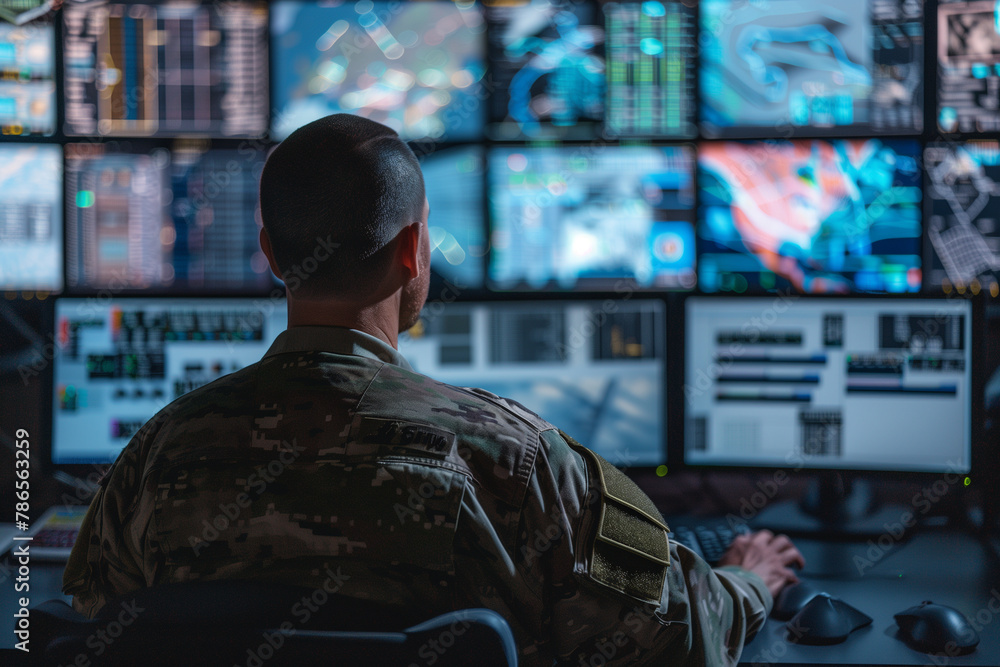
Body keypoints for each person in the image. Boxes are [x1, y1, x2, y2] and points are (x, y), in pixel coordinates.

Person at [63, 114, 804, 666]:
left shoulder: (157, 451)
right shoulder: (522, 460)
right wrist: (747, 577)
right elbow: (679, 635)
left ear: (271, 254)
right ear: (414, 251)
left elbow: (95, 617)